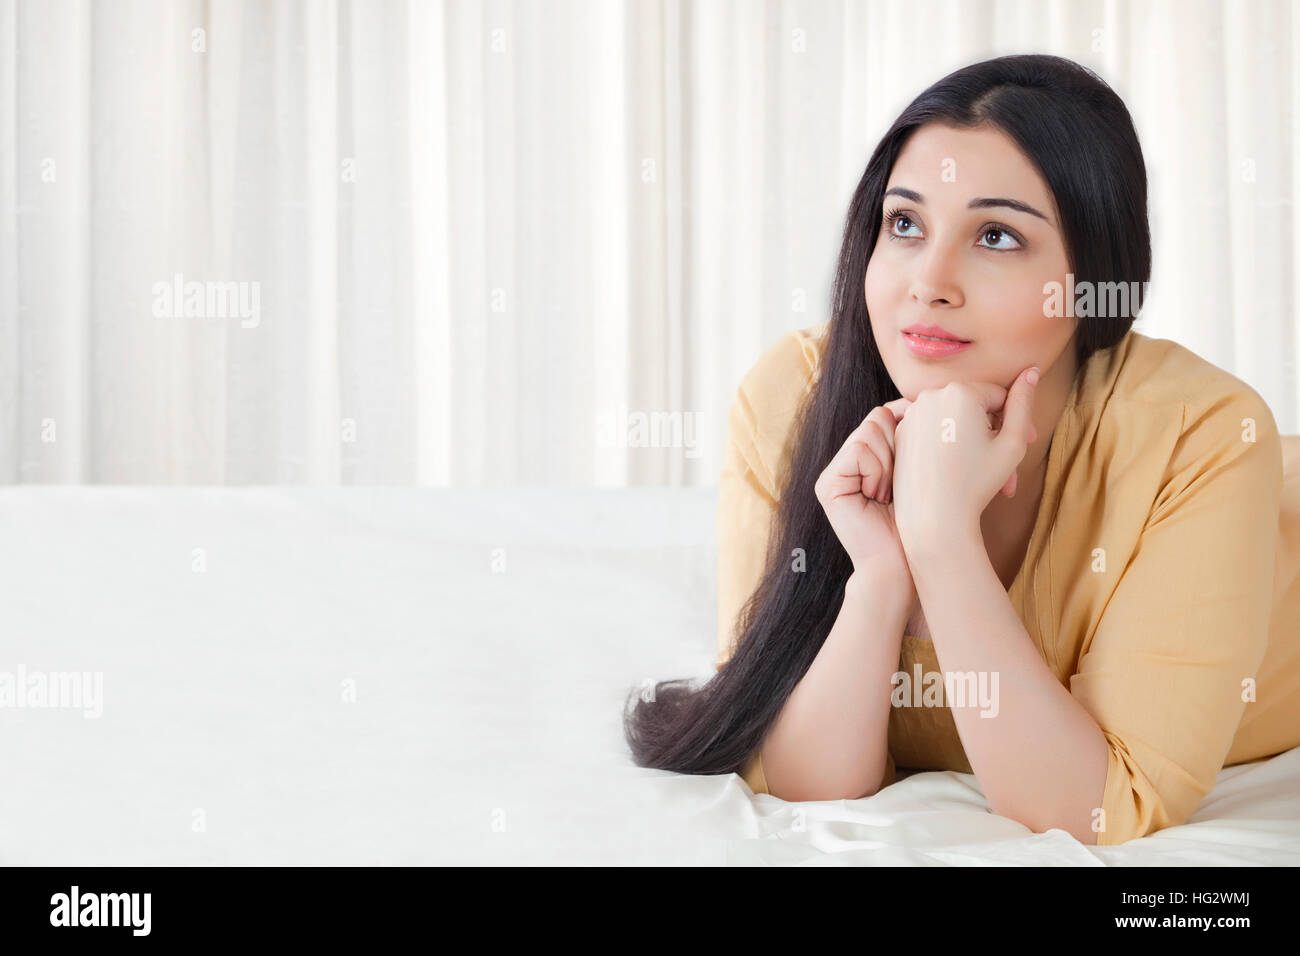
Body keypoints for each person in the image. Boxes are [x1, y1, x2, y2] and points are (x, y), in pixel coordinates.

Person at [623, 53, 1300, 846]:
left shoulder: (1203, 437)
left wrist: (941, 537)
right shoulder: (791, 397)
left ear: (1094, 279)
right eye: (904, 224)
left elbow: (1098, 809)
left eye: (998, 236)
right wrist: (882, 572)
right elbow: (811, 783)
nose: (929, 280)